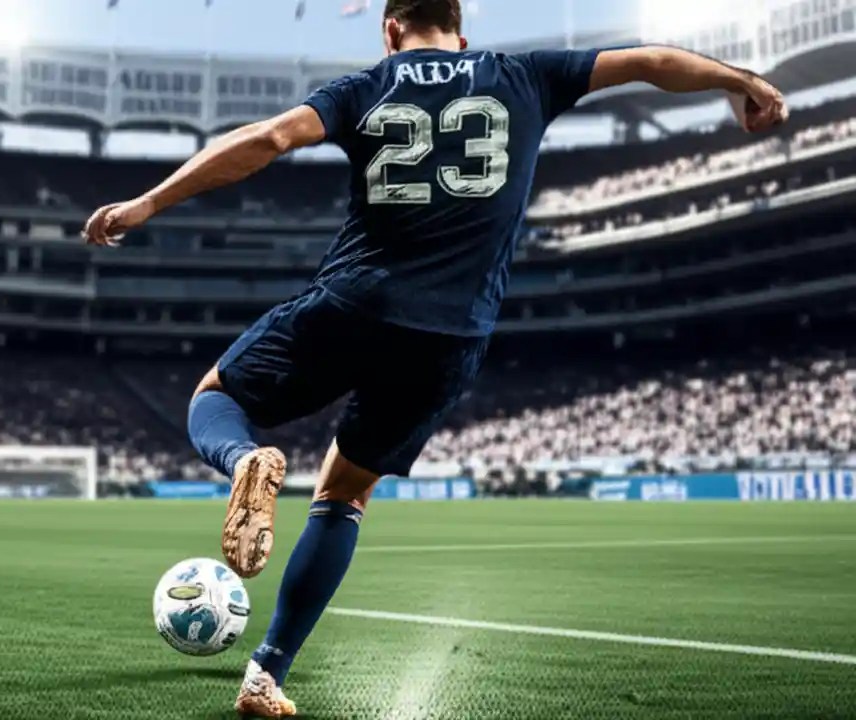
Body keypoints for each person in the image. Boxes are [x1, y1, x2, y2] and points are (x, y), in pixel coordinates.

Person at [82, 1, 788, 716]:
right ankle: (266, 675)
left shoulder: (367, 86)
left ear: (390, 29)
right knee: (343, 497)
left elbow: (267, 140)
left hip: (357, 302)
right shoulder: (526, 75)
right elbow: (649, 60)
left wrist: (147, 202)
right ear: (462, 31)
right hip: (453, 335)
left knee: (215, 397)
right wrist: (741, 81)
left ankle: (242, 463)